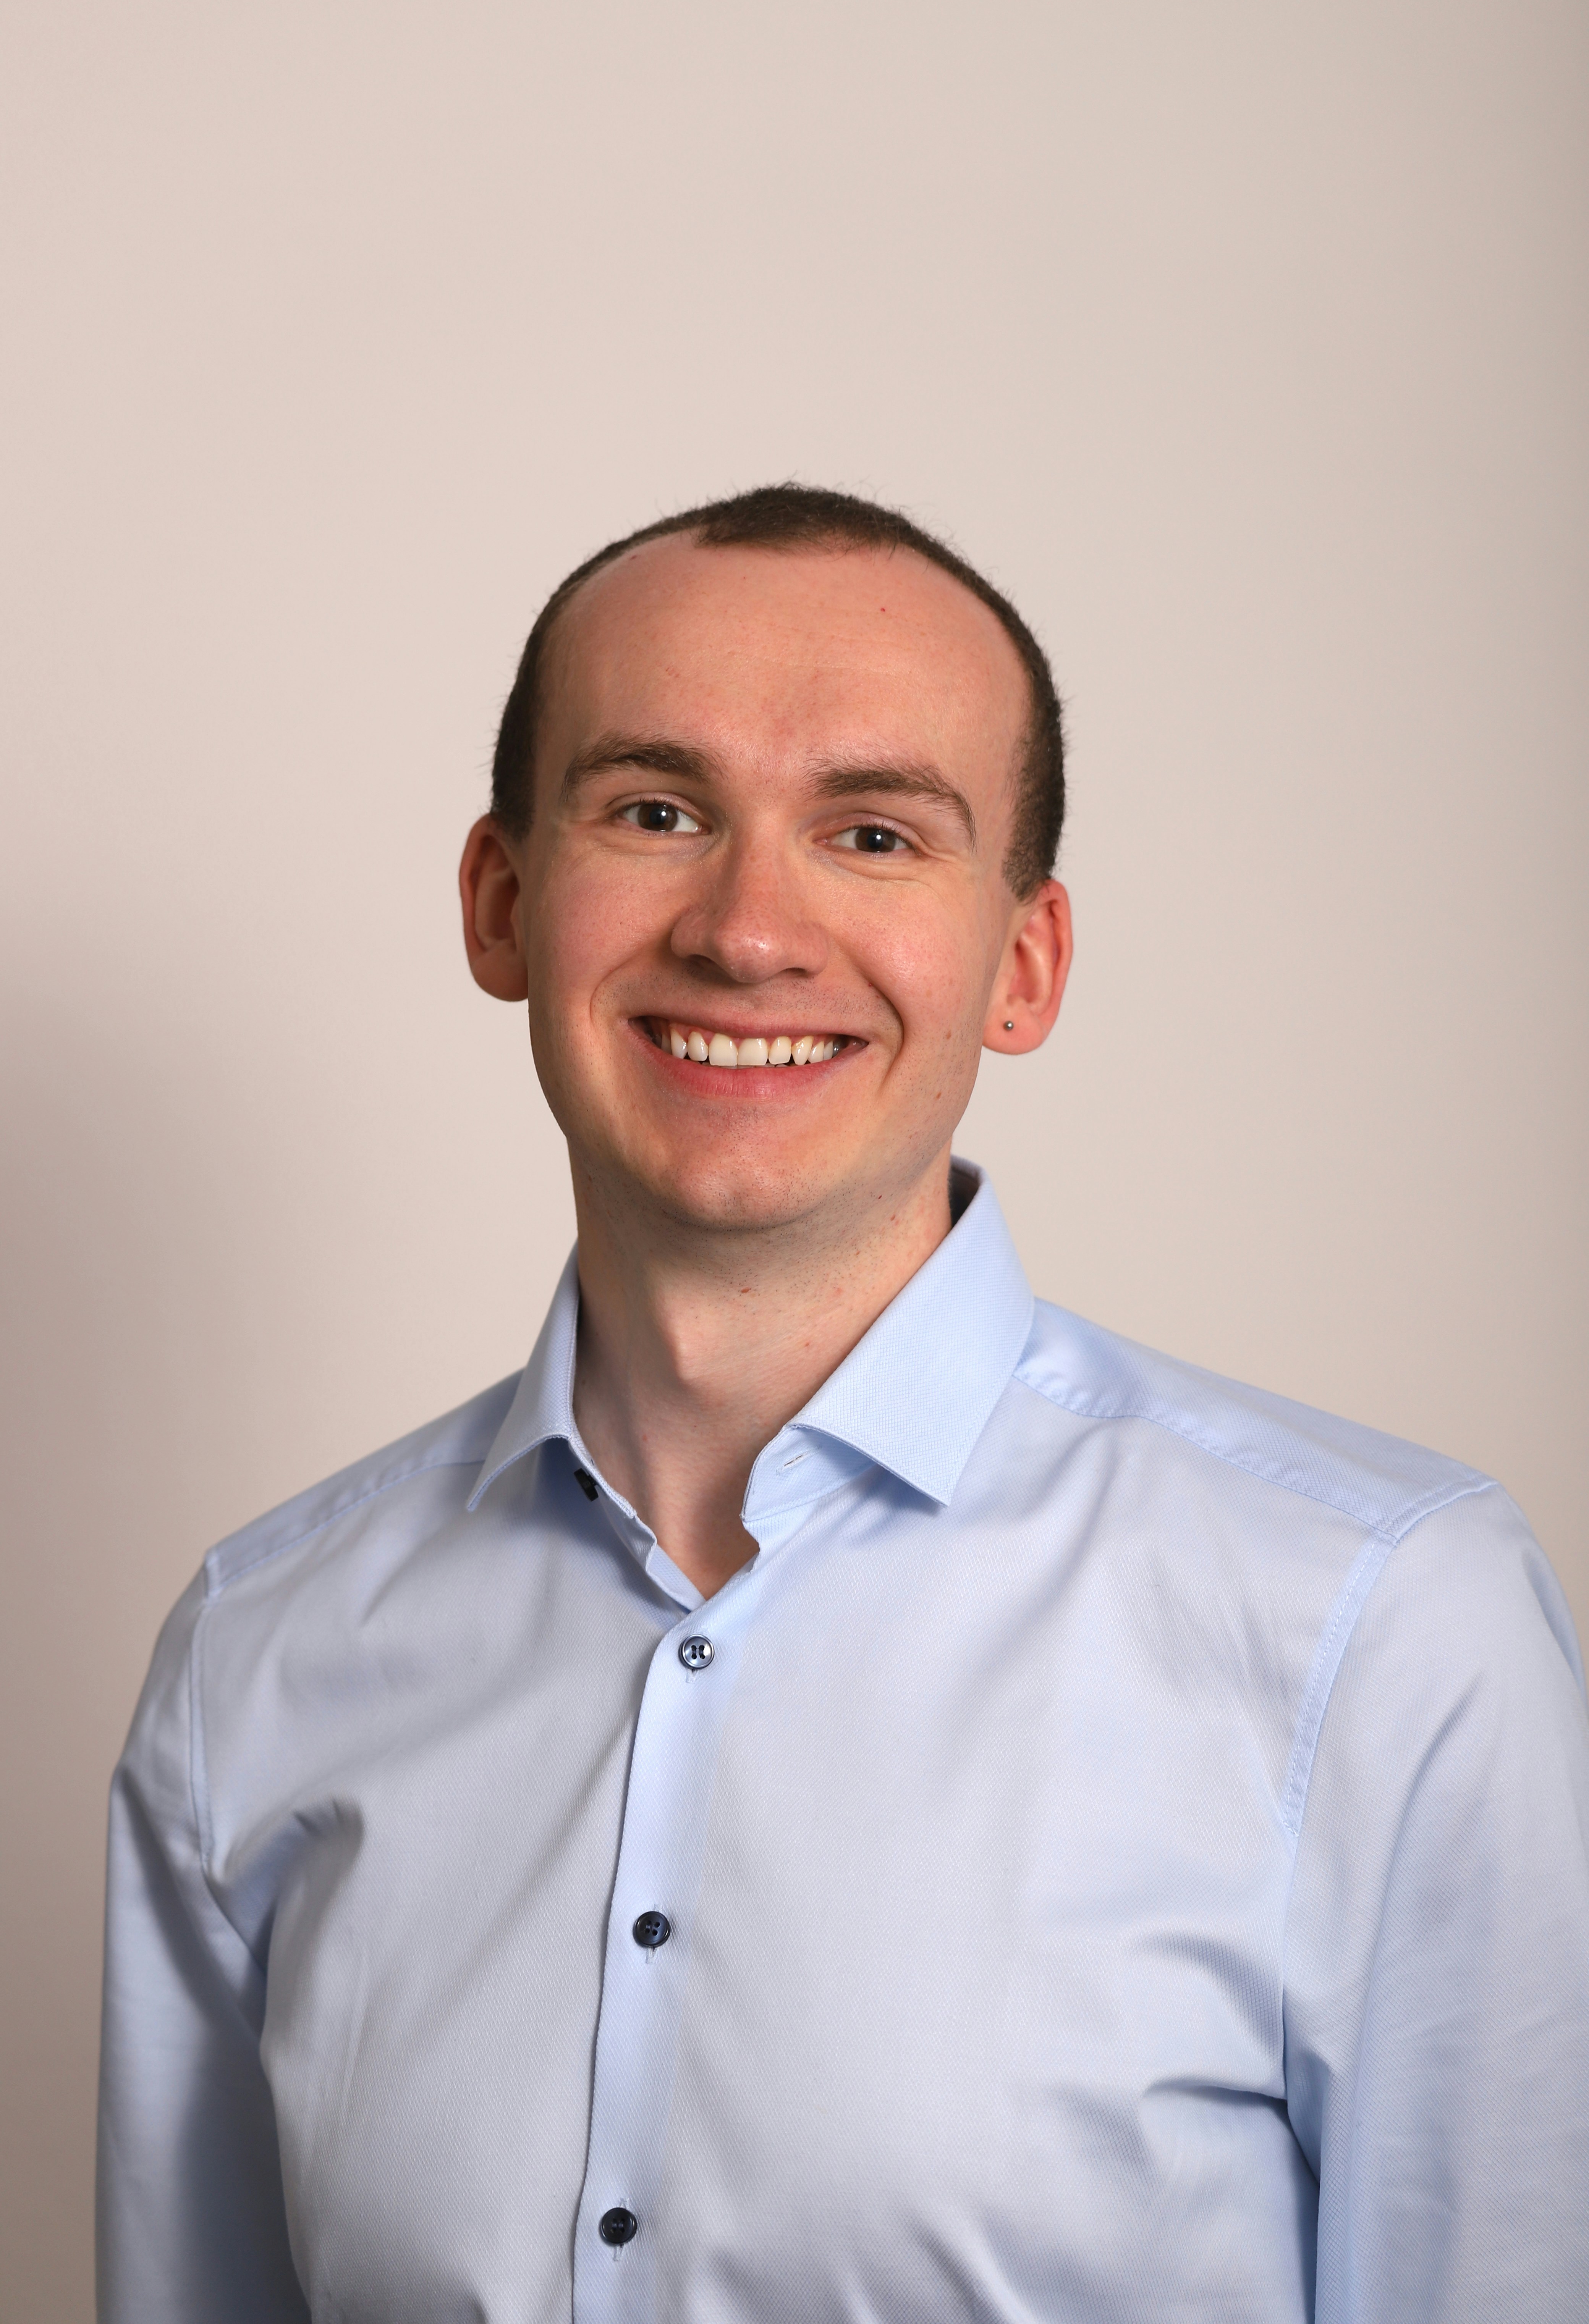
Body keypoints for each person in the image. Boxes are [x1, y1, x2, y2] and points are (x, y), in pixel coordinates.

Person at [98, 485, 1589, 2324]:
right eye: (655, 812)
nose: (746, 931)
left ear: (1020, 964)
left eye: (872, 834)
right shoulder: (255, 1660)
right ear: (501, 903)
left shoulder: (1378, 1635)